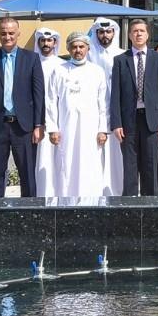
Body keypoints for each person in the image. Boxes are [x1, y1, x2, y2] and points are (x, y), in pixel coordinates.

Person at [0, 17, 46, 198]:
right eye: (3, 33)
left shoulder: (31, 59)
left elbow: (38, 94)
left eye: (11, 33)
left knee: (27, 174)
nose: (7, 37)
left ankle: (30, 210)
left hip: (24, 127)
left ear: (18, 33)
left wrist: (39, 125)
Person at [46, 32, 110, 200]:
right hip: (65, 129)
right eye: (74, 47)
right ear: (68, 49)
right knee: (66, 166)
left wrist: (103, 129)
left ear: (88, 48)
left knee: (90, 166)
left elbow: (104, 103)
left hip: (91, 131)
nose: (78, 50)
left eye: (81, 46)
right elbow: (51, 101)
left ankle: (91, 204)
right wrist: (53, 128)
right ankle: (66, 205)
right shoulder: (59, 71)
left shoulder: (97, 72)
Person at [111, 17, 158, 194]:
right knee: (130, 167)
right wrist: (116, 123)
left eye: (142, 31)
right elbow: (115, 94)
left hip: (152, 120)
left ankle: (150, 204)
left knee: (150, 166)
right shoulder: (120, 60)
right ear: (129, 35)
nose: (138, 34)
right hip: (128, 121)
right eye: (135, 31)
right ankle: (129, 205)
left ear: (148, 35)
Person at [87, 18, 124, 196]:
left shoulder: (122, 54)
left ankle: (116, 193)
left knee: (117, 156)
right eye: (101, 32)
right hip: (93, 110)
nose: (105, 35)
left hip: (117, 110)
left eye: (108, 31)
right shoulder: (88, 55)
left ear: (114, 33)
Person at [34, 27, 62, 196]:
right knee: (40, 158)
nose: (46, 43)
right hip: (36, 119)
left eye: (49, 40)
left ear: (55, 43)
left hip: (58, 118)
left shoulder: (62, 65)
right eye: (43, 41)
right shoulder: (32, 62)